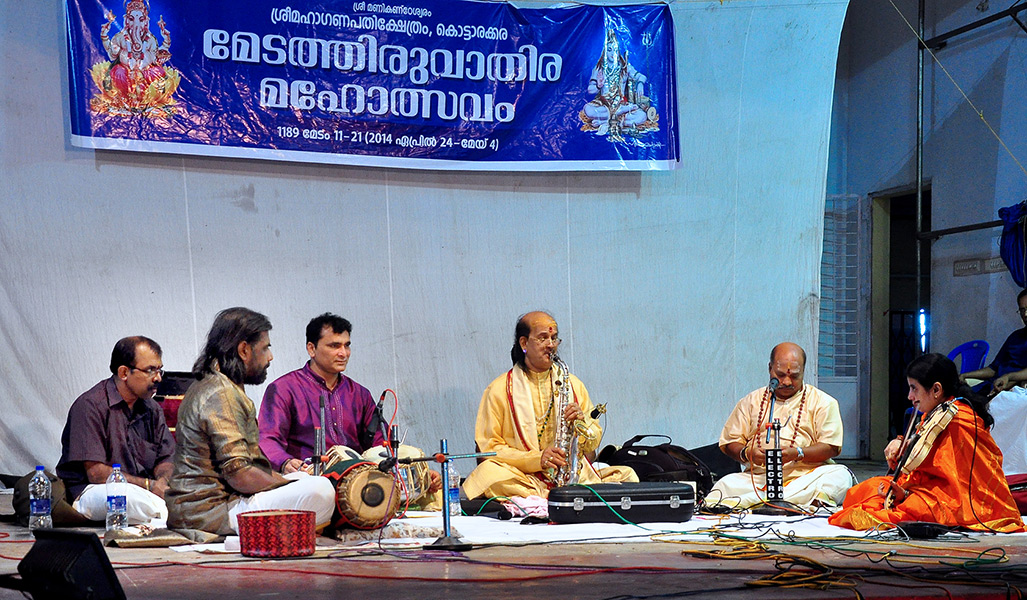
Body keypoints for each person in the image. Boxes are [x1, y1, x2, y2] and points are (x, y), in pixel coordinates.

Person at [166, 307, 335, 541]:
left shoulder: (217, 384)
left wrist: (290, 481)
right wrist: (285, 484)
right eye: (265, 348)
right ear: (244, 350)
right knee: (321, 491)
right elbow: (240, 474)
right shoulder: (221, 393)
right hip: (210, 513)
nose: (270, 357)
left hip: (218, 505)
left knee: (309, 482)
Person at [830, 353, 1024, 532]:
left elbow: (955, 482)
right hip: (927, 487)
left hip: (960, 498)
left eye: (914, 388)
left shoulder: (958, 420)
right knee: (863, 491)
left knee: (906, 509)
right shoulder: (936, 411)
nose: (910, 396)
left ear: (936, 389)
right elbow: (921, 450)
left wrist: (907, 494)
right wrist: (901, 445)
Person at [462, 311, 637, 500]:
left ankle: (548, 496)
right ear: (524, 343)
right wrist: (537, 459)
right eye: (543, 338)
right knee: (488, 474)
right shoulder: (499, 389)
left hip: (569, 475)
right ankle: (550, 496)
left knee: (628, 474)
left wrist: (581, 424)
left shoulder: (573, 385)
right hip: (522, 476)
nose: (551, 345)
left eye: (554, 338)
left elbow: (592, 444)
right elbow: (490, 449)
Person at [708, 342, 853, 509]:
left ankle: (758, 502)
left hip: (807, 477)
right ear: (770, 368)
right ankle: (795, 502)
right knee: (725, 484)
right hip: (760, 479)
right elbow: (730, 442)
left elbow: (831, 447)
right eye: (780, 374)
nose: (786, 381)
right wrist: (748, 453)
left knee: (840, 476)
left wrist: (797, 453)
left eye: (795, 376)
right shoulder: (751, 401)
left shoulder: (824, 402)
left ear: (803, 371)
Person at [56, 336, 175, 524]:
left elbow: (166, 458)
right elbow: (96, 474)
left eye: (159, 370)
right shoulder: (90, 406)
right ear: (124, 372)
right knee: (129, 499)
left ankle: (165, 514)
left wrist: (162, 482)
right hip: (93, 491)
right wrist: (149, 485)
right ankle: (171, 515)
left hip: (146, 492)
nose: (158, 378)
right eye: (150, 370)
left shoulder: (152, 409)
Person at [258, 314, 385, 473]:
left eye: (346, 345)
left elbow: (380, 442)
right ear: (311, 349)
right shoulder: (284, 389)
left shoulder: (360, 394)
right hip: (306, 477)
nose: (343, 353)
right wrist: (285, 462)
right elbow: (268, 439)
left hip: (355, 477)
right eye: (334, 346)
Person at [960, 289, 1027, 394]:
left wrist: (1009, 377)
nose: (1025, 314)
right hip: (992, 384)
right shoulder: (1015, 337)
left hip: (1011, 390)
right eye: (1022, 310)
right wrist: (965, 375)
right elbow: (993, 369)